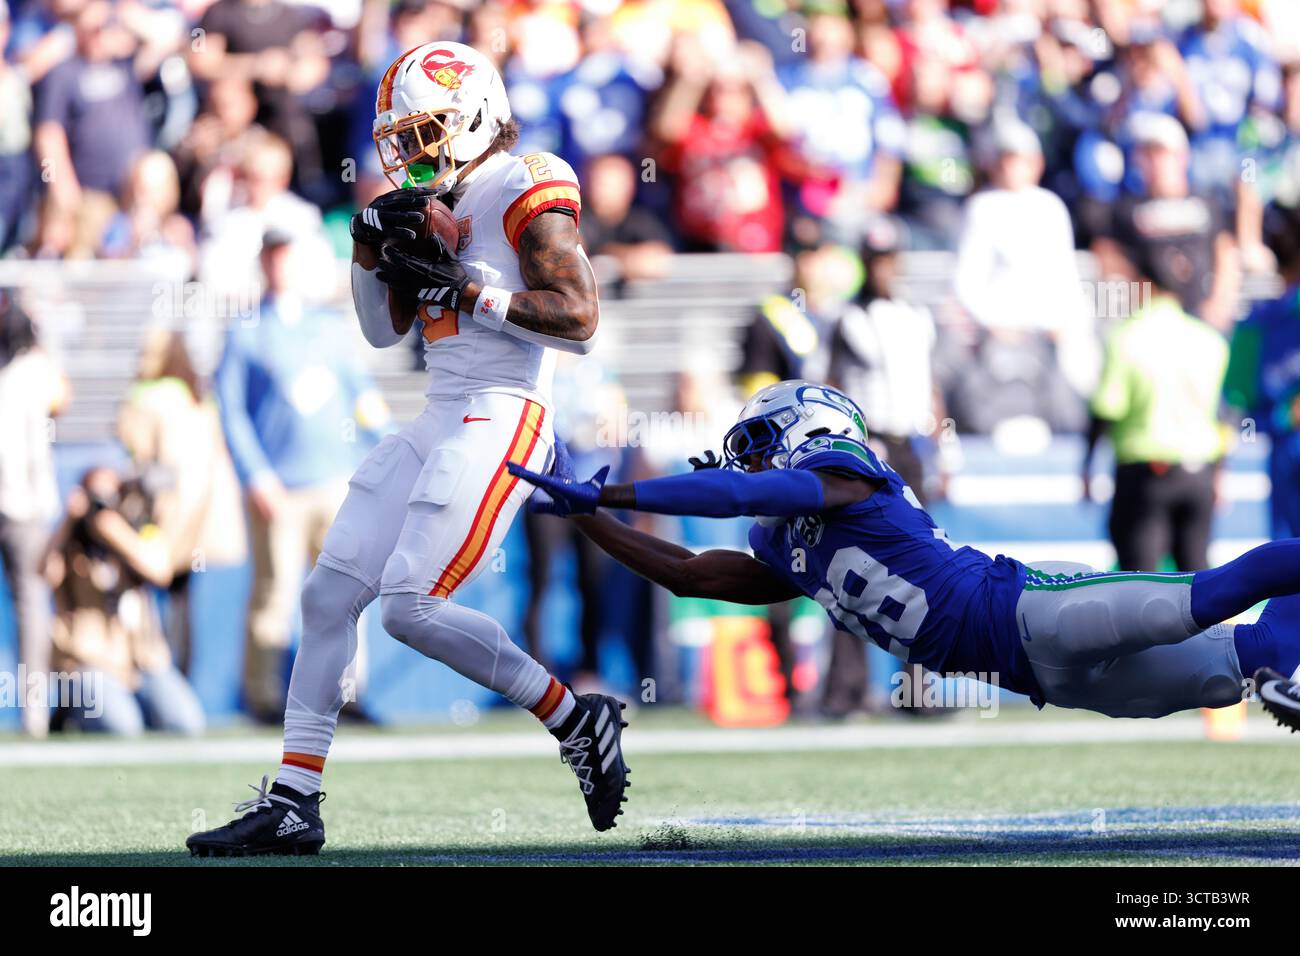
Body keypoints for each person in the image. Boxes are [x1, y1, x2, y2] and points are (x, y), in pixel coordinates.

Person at [188, 41, 628, 858]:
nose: (412, 153)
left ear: (473, 116)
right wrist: (365, 246)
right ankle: (294, 801)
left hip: (505, 409)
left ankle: (574, 716)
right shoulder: (429, 198)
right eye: (402, 138)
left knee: (409, 607)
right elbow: (381, 331)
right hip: (440, 411)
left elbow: (579, 321)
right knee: (326, 599)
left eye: (426, 133)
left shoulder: (527, 177)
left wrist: (468, 286)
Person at [509, 380, 1300, 738]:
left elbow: (736, 496)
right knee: (1254, 664)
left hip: (1031, 609)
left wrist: (616, 498)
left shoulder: (845, 470)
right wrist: (588, 518)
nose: (744, 464)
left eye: (755, 446)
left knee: (1214, 593)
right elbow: (690, 573)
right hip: (1038, 678)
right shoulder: (779, 541)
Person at [214, 229, 387, 722]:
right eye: (273, 256)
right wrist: (256, 474)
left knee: (347, 594)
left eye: (288, 256)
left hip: (335, 481)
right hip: (281, 487)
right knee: (275, 593)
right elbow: (231, 412)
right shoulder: (246, 331)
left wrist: (391, 445)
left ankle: (347, 693)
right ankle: (263, 695)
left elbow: (363, 398)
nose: (281, 266)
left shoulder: (328, 328)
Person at [1083, 259, 1230, 573]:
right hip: (1199, 471)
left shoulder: (1126, 337)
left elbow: (1107, 408)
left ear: (1144, 285)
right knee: (1197, 577)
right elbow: (1224, 414)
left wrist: (1087, 465)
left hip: (1146, 473)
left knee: (1140, 580)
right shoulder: (1210, 339)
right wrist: (1220, 471)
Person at [116, 329, 245, 672]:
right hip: (201, 513)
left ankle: (151, 674)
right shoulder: (199, 397)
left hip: (159, 513)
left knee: (140, 595)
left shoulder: (147, 397)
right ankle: (178, 678)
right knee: (181, 600)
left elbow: (133, 451)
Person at [41, 467, 205, 736]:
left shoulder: (136, 531)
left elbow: (160, 571)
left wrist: (114, 531)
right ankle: (72, 706)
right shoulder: (70, 543)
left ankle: (132, 706)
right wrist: (69, 522)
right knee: (122, 728)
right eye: (97, 497)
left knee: (186, 723)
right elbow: (44, 573)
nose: (104, 504)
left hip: (142, 661)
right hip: (90, 661)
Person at [0, 293, 65, 738]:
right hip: (22, 503)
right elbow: (63, 395)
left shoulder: (24, 373)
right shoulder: (33, 371)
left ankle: (37, 710)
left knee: (31, 605)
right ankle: (35, 712)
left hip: (19, 501)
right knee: (31, 607)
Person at [1223, 201, 1300, 540]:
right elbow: (1239, 395)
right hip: (1285, 461)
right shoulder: (1259, 323)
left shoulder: (1257, 323)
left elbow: (1237, 398)